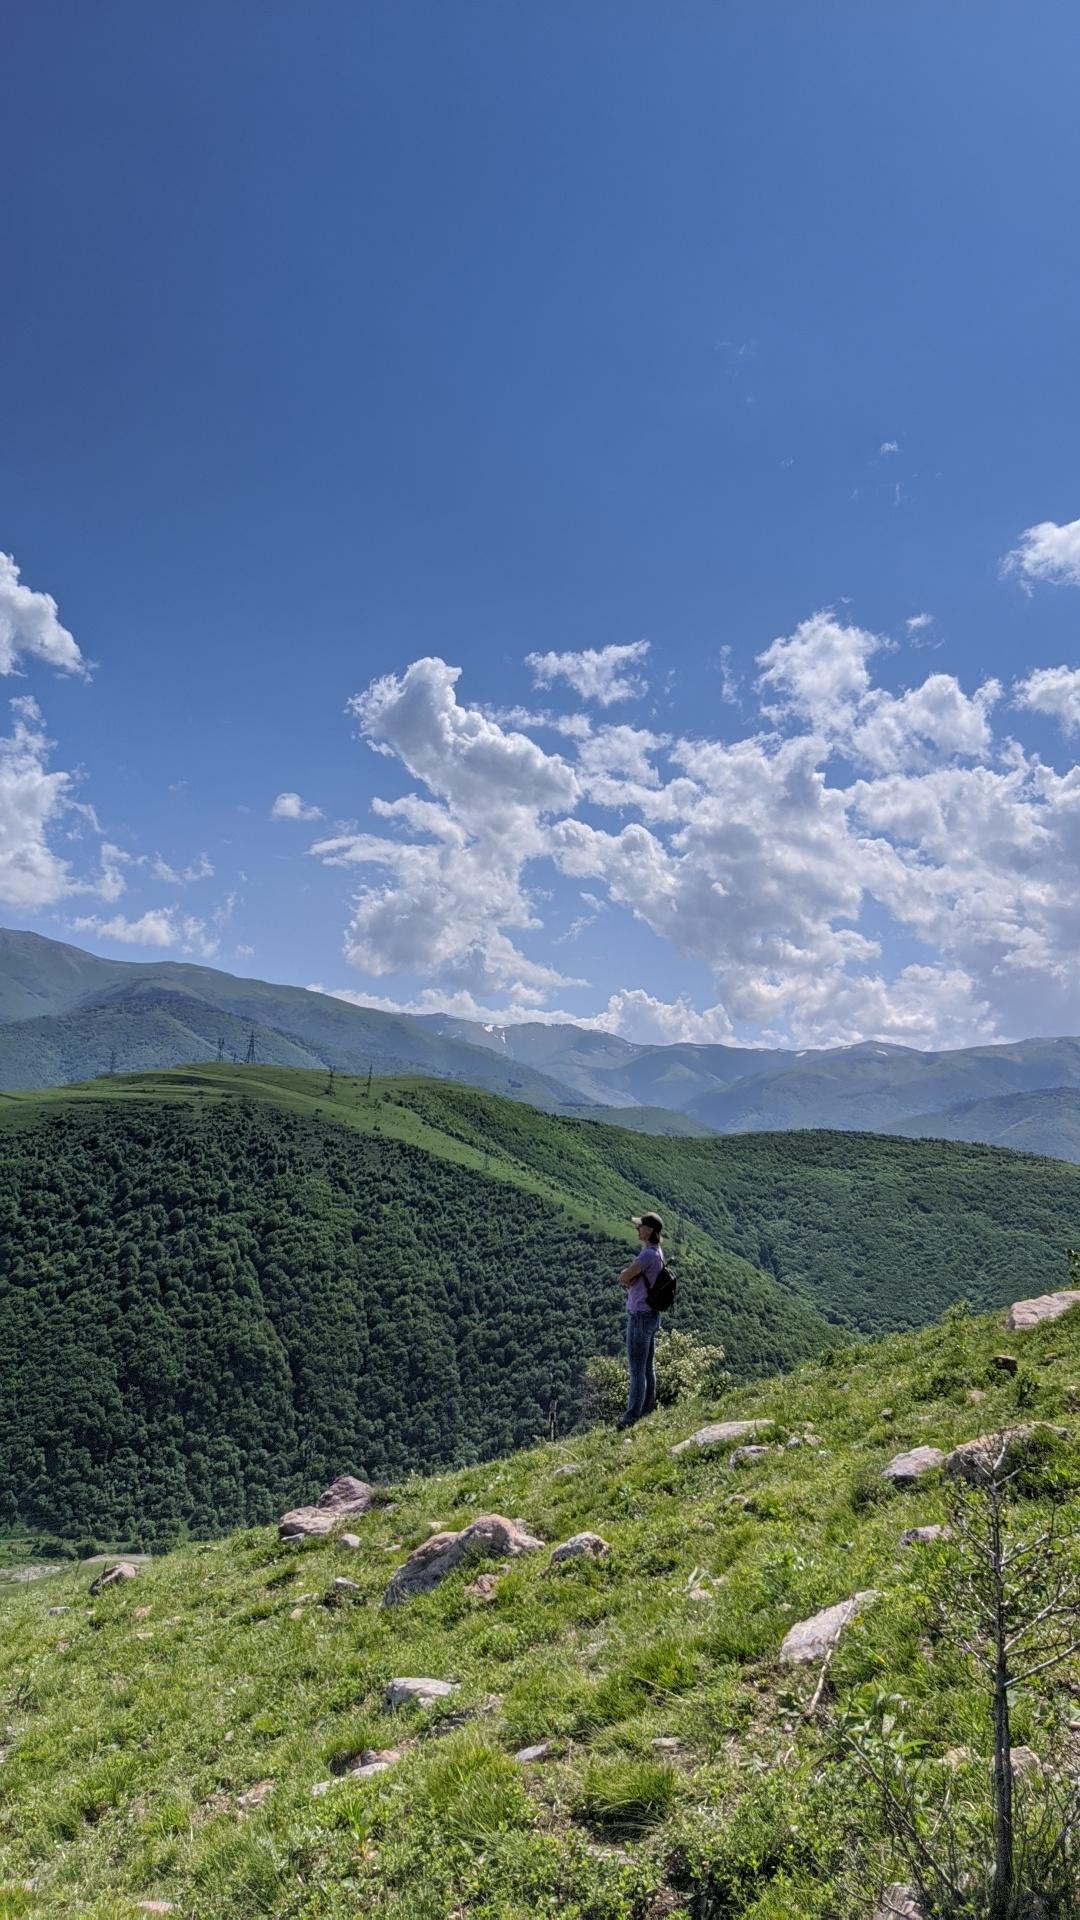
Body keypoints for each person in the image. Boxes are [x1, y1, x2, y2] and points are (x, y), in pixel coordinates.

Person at [616, 1211, 664, 1428]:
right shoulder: (657, 1253)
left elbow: (624, 1277)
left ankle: (632, 1416)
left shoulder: (646, 1256)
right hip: (652, 1316)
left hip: (640, 1317)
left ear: (649, 1230)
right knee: (647, 1367)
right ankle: (647, 1408)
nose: (637, 1229)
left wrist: (626, 1275)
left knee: (636, 1370)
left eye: (640, 1226)